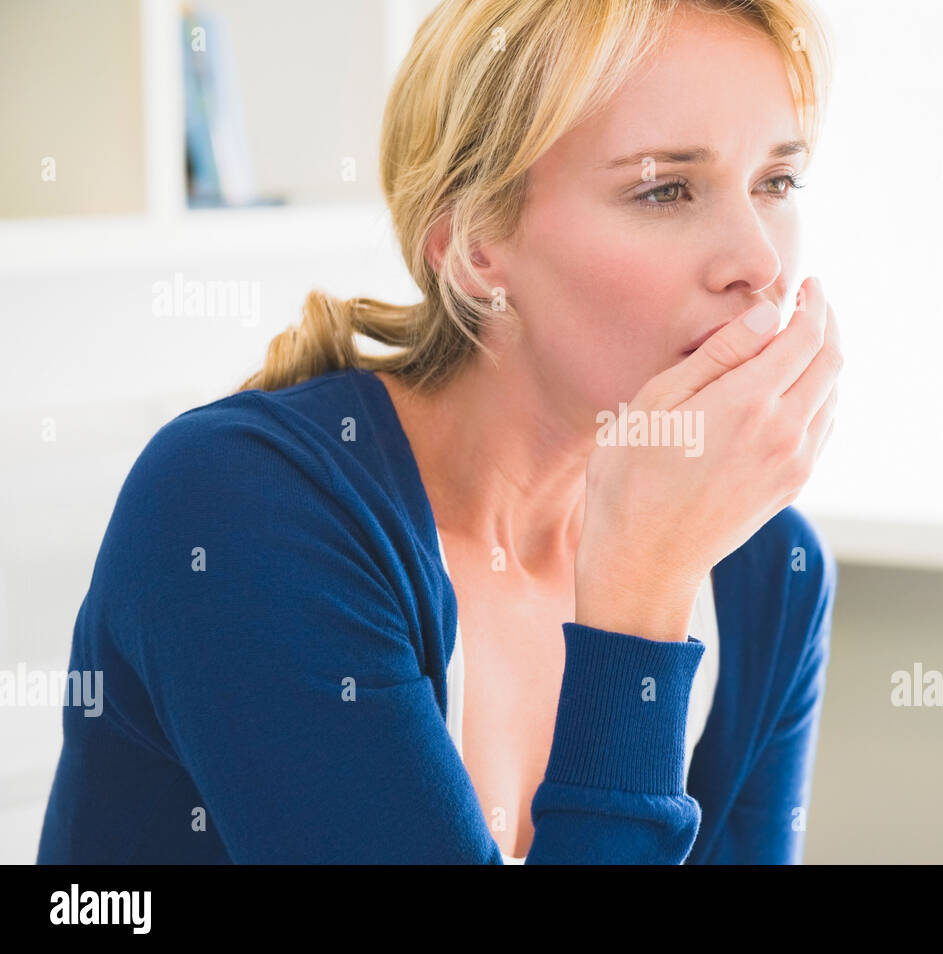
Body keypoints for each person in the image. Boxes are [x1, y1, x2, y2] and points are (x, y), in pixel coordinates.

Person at [37, 0, 840, 864]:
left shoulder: (766, 571)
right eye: (664, 189)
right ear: (476, 245)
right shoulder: (235, 508)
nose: (758, 261)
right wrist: (640, 597)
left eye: (777, 183)